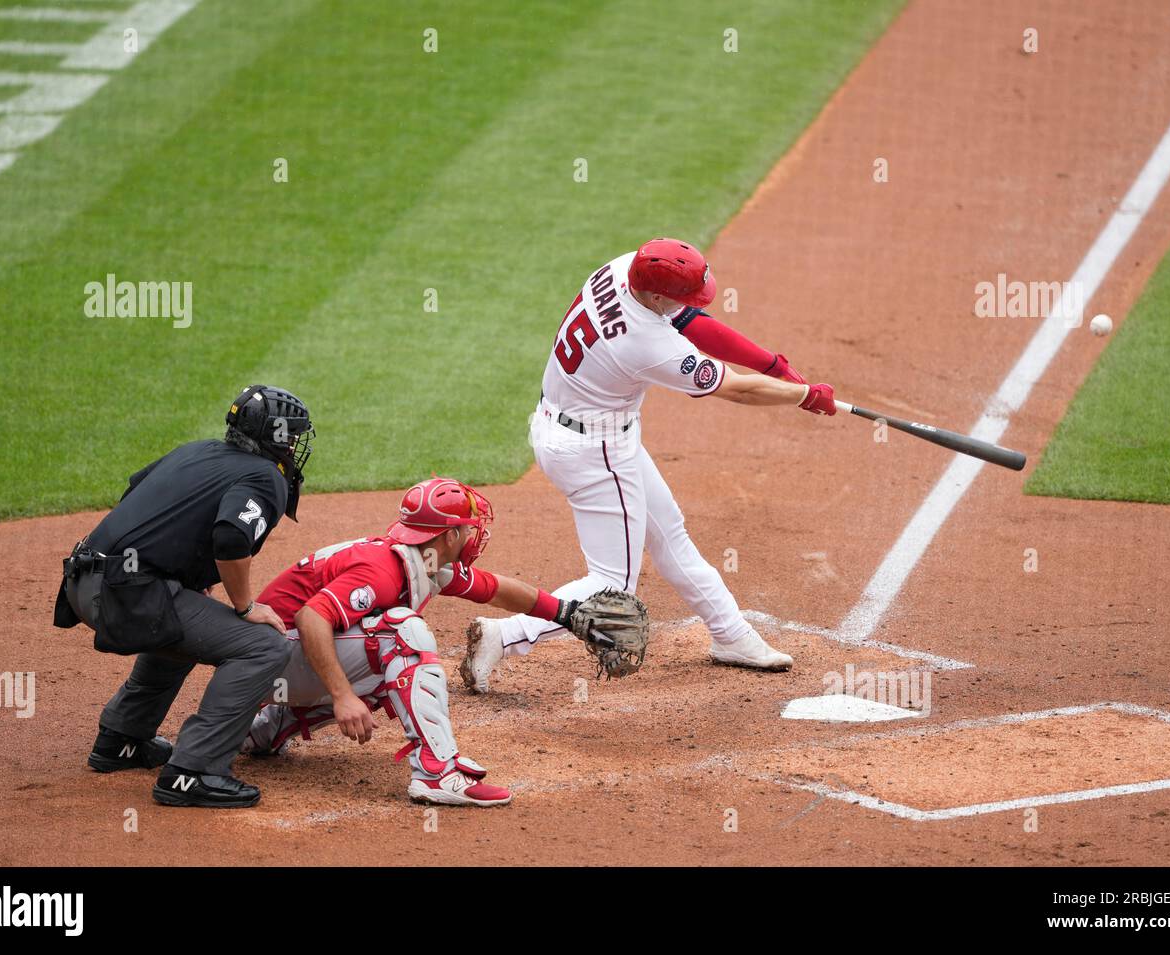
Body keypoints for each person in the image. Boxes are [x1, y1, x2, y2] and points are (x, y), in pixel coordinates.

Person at [461, 238, 836, 693]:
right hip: (595, 452)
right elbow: (737, 390)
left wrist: (773, 364)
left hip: (577, 426)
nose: (691, 302)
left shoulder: (623, 270)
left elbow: (693, 321)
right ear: (657, 296)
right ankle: (503, 636)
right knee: (613, 587)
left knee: (668, 533)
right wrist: (804, 395)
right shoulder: (646, 344)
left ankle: (731, 635)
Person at [243, 477, 596, 807]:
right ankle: (436, 774)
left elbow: (496, 589)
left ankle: (271, 725)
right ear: (448, 536)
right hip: (268, 664)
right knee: (400, 634)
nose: (474, 534)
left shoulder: (422, 560)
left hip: (275, 669)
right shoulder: (381, 569)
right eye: (468, 529)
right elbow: (311, 618)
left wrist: (568, 614)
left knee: (389, 658)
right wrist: (342, 696)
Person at [53, 384, 314, 809]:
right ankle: (194, 772)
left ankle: (123, 740)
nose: (297, 445)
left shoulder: (196, 450)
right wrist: (246, 606)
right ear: (278, 438)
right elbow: (231, 537)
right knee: (263, 646)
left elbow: (135, 492)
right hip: (126, 596)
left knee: (189, 614)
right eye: (295, 436)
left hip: (84, 580)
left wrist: (181, 571)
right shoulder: (265, 476)